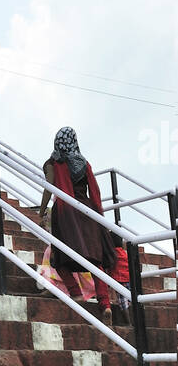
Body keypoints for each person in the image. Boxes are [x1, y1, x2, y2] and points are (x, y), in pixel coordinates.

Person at [37, 127, 117, 325]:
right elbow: (95, 191)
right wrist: (100, 216)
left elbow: (49, 188)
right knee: (95, 261)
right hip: (87, 212)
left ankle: (76, 293)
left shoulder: (53, 163)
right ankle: (105, 304)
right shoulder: (84, 162)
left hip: (65, 213)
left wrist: (41, 211)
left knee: (60, 258)